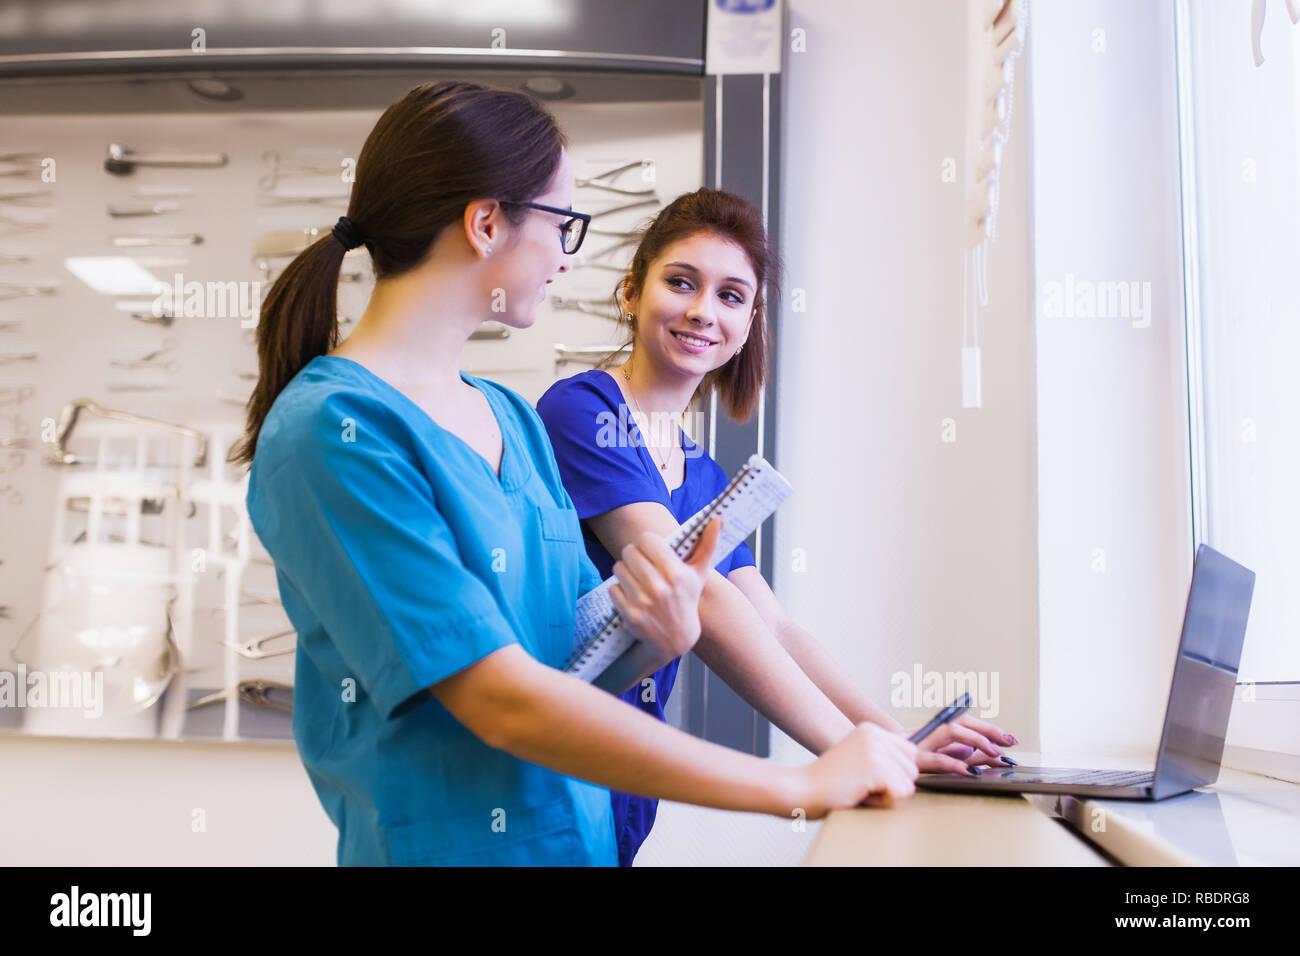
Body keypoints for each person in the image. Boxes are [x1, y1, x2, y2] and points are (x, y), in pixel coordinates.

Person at [233, 82, 920, 866]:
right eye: (564, 226)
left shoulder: (513, 422)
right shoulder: (337, 431)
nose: (568, 255)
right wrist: (794, 788)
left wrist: (655, 641)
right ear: (487, 222)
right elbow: (497, 700)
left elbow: (566, 661)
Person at [536, 188, 1019, 866]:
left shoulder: (702, 472)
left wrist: (895, 739)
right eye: (681, 282)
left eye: (732, 296)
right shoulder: (582, 409)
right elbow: (687, 585)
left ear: (751, 319)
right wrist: (841, 752)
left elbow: (776, 627)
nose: (704, 311)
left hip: (622, 789)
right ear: (630, 292)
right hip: (549, 783)